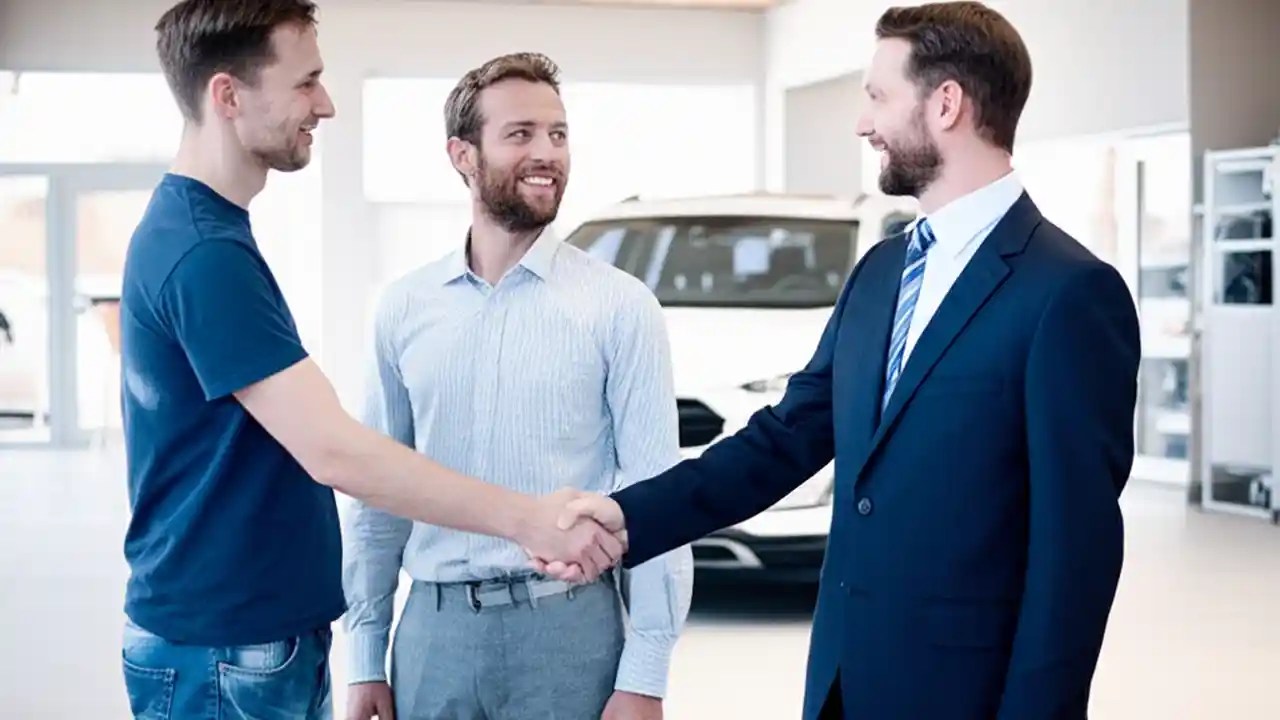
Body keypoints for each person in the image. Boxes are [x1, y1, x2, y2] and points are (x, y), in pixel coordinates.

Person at [543, 2, 1142, 719]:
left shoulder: (1069, 294)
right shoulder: (882, 270)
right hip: (843, 684)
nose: (863, 123)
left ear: (946, 103)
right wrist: (625, 517)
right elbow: (786, 437)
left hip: (965, 695)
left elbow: (1074, 553)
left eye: (877, 96)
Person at [117, 4, 620, 719]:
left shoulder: (208, 234)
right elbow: (335, 450)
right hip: (224, 649)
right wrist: (525, 519)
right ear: (227, 96)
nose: (323, 104)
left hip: (246, 637)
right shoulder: (205, 253)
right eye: (306, 83)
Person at [342, 52, 692, 720]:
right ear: (462, 155)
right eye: (520, 134)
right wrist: (364, 655)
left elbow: (658, 494)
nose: (547, 153)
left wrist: (645, 676)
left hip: (569, 632)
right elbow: (376, 493)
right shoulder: (405, 307)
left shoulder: (620, 306)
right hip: (432, 637)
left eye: (558, 134)